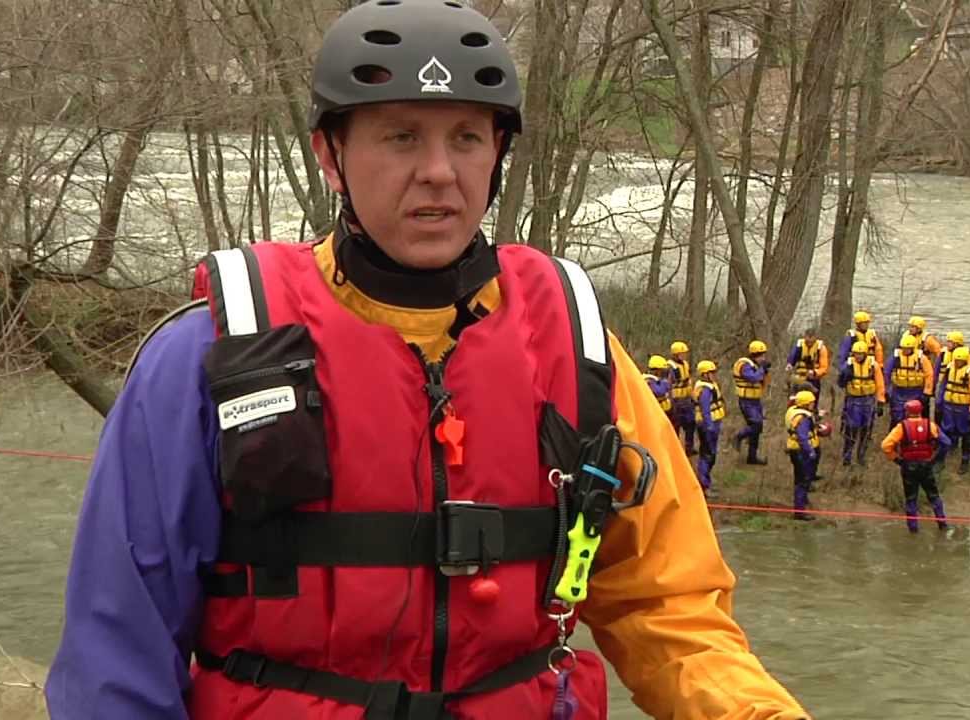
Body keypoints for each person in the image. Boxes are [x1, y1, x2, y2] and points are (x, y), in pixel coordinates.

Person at [43, 3, 806, 719]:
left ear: (498, 155)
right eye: (402, 136)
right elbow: (118, 649)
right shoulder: (210, 353)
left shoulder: (577, 351)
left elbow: (667, 607)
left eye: (466, 138)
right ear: (331, 156)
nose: (439, 171)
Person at [881, 399, 953, 533]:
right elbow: (947, 443)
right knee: (934, 496)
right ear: (920, 411)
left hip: (909, 467)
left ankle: (913, 529)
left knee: (911, 499)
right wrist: (936, 459)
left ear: (907, 412)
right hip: (926, 465)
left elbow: (885, 445)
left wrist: (897, 459)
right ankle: (942, 524)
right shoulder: (930, 425)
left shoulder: (901, 427)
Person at [836, 340, 886, 467]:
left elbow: (880, 384)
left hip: (868, 401)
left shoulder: (873, 366)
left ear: (865, 354)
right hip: (853, 400)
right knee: (851, 430)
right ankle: (847, 458)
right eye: (855, 354)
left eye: (860, 354)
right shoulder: (848, 365)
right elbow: (840, 383)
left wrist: (881, 402)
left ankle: (861, 457)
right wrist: (844, 376)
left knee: (866, 431)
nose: (857, 356)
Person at [938, 346, 970, 475]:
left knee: (965, 434)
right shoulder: (949, 368)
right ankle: (940, 460)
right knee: (945, 432)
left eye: (960, 361)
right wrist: (939, 402)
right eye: (956, 360)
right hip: (948, 406)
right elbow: (943, 386)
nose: (957, 363)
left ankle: (965, 461)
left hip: (963, 408)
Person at [732, 340, 770, 465]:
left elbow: (762, 382)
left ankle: (752, 457)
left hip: (755, 400)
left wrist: (765, 370)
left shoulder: (756, 366)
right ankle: (739, 436)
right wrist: (762, 369)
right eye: (761, 356)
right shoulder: (744, 364)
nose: (763, 358)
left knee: (757, 429)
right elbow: (753, 378)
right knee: (756, 424)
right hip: (746, 401)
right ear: (754, 355)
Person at [885, 333, 934, 430]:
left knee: (915, 416)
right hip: (898, 391)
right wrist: (887, 391)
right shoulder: (895, 357)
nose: (905, 350)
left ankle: (914, 437)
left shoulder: (921, 358)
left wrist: (927, 393)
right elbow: (886, 373)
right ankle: (895, 438)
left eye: (908, 348)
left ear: (913, 348)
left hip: (916, 391)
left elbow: (929, 375)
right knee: (897, 417)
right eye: (903, 348)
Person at [785, 390, 821, 521]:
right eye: (812, 403)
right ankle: (799, 511)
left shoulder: (793, 411)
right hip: (802, 452)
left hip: (795, 449)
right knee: (803, 480)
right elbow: (802, 436)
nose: (813, 405)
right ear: (806, 404)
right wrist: (810, 451)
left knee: (799, 477)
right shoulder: (803, 418)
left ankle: (802, 501)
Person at [693, 360, 726, 494]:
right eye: (711, 373)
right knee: (707, 454)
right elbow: (705, 409)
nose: (714, 375)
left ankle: (705, 482)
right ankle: (703, 485)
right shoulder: (705, 390)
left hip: (712, 423)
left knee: (710, 454)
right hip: (708, 425)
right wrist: (710, 425)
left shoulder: (710, 385)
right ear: (704, 374)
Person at [931, 330, 970, 424]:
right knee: (938, 409)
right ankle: (938, 432)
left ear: (956, 344)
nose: (947, 344)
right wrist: (933, 386)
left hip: (960, 389)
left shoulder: (967, 356)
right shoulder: (943, 354)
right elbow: (936, 370)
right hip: (943, 386)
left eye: (950, 342)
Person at [667, 340, 698, 455]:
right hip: (675, 401)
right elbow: (668, 385)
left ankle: (689, 448)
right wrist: (670, 402)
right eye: (682, 353)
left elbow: (689, 381)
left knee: (691, 423)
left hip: (686, 399)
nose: (684, 355)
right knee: (676, 425)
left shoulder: (685, 364)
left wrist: (693, 396)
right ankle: (674, 450)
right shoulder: (670, 367)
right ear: (676, 354)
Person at [785, 327, 829, 397]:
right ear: (804, 337)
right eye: (808, 341)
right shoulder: (799, 346)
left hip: (813, 380)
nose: (809, 343)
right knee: (793, 399)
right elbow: (792, 358)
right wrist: (789, 365)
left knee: (812, 402)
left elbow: (824, 368)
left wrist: (815, 372)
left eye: (811, 341)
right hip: (798, 378)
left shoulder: (821, 348)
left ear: (815, 338)